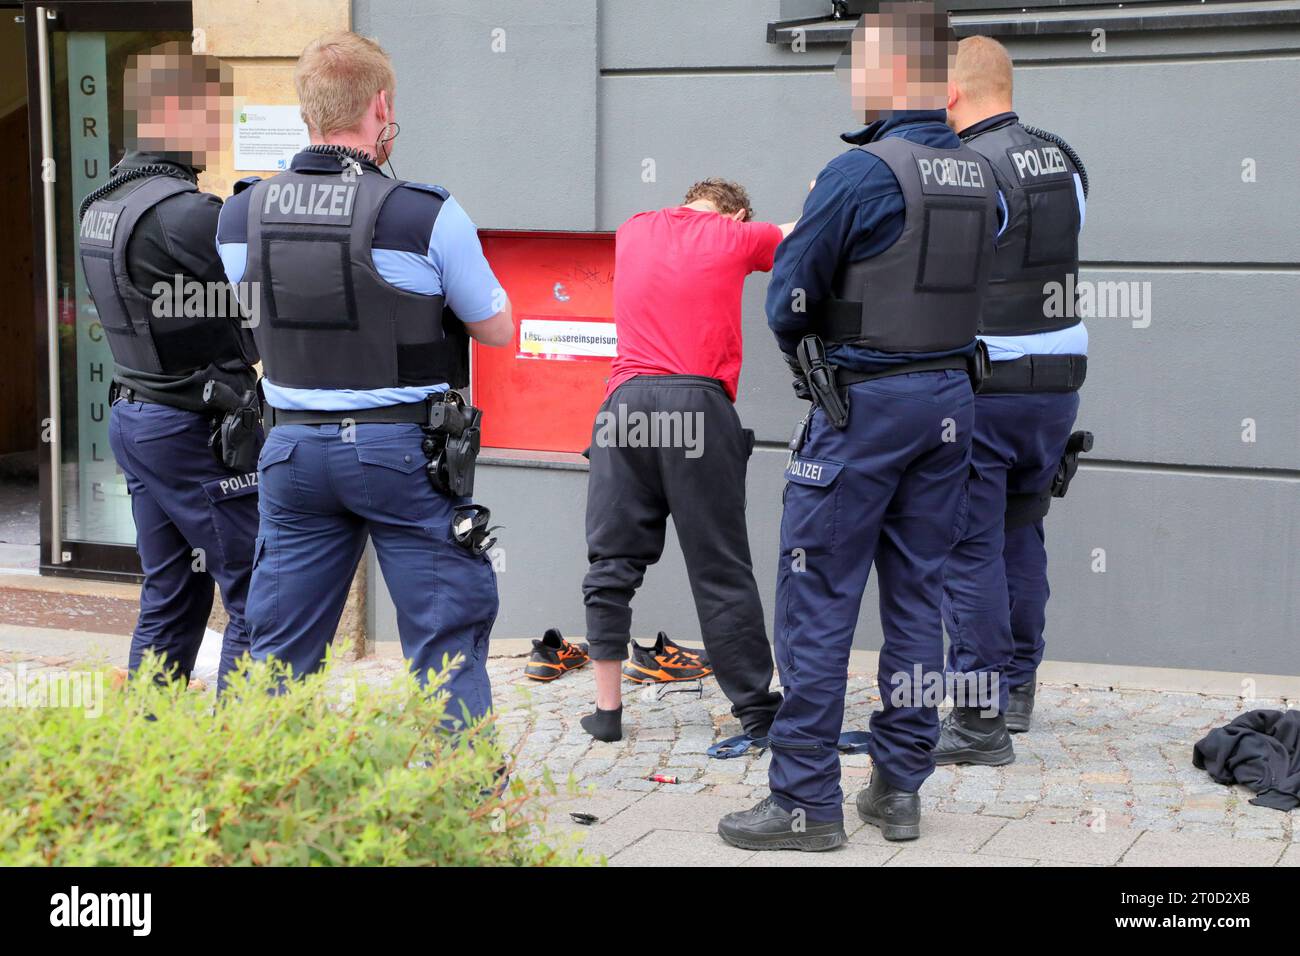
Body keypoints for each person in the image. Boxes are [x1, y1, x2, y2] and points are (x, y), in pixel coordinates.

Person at [718, 2, 1002, 850]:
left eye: (857, 65)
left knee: (818, 600)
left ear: (887, 75)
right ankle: (899, 787)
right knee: (917, 598)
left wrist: (827, 359)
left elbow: (788, 301)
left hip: (864, 411)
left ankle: (805, 799)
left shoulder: (859, 173)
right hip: (951, 408)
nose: (851, 81)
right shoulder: (984, 177)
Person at [216, 31, 513, 723]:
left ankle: (255, 808)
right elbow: (496, 330)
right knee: (444, 642)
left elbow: (252, 310)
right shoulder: (424, 212)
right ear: (381, 107)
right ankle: (464, 803)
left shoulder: (239, 214)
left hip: (291, 453)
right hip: (400, 456)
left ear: (305, 113)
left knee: (277, 652)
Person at [579, 180, 793, 745]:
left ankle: (606, 713)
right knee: (720, 565)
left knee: (611, 563)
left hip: (623, 408)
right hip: (696, 405)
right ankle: (756, 710)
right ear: (739, 213)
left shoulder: (633, 228)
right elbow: (803, 236)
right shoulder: (736, 235)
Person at [79, 44, 258, 694]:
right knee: (258, 589)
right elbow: (265, 309)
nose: (221, 130)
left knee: (173, 592)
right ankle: (246, 764)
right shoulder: (189, 214)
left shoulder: (105, 203)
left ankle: (154, 751)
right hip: (193, 428)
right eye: (215, 114)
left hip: (139, 421)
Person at [935, 35, 1089, 760]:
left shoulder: (968, 169)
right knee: (1019, 532)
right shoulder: (1063, 158)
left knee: (970, 548)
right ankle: (1018, 689)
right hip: (1059, 381)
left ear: (952, 93)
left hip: (989, 380)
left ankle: (977, 718)